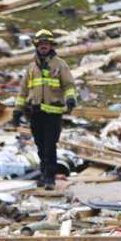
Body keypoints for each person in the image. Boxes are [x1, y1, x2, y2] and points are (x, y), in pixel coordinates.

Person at [13, 29, 75, 190]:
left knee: (50, 145)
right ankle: (43, 174)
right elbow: (24, 90)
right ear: (37, 46)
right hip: (35, 113)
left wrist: (70, 99)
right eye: (41, 44)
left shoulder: (59, 64)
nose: (43, 46)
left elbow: (68, 85)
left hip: (53, 113)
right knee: (40, 145)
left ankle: (50, 177)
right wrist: (17, 109)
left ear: (51, 46)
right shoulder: (31, 67)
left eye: (46, 44)